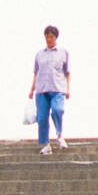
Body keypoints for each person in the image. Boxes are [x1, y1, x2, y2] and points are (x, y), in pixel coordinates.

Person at [29, 25, 70, 154]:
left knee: (58, 110)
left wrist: (68, 89)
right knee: (41, 118)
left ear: (55, 37)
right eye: (47, 36)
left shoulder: (63, 52)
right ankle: (46, 144)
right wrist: (31, 89)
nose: (49, 39)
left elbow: (67, 72)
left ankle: (59, 135)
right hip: (41, 89)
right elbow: (36, 72)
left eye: (51, 36)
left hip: (57, 88)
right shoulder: (39, 54)